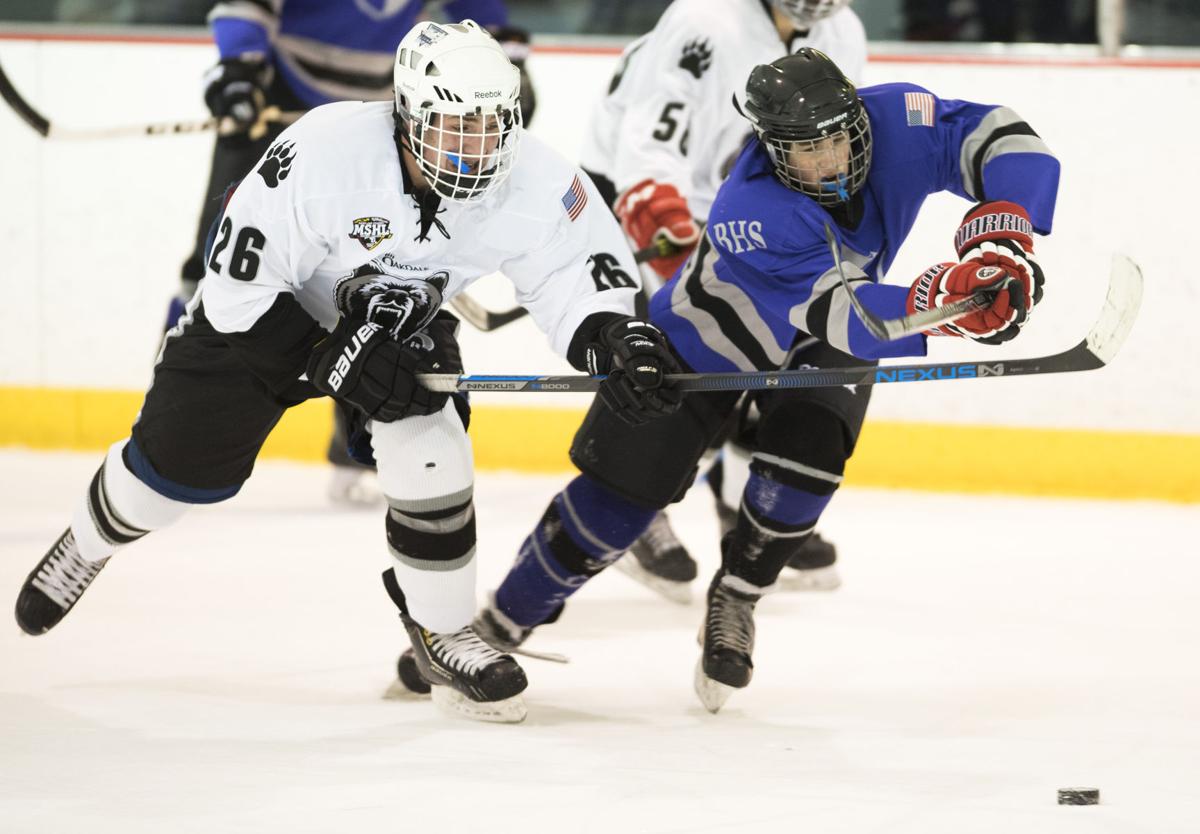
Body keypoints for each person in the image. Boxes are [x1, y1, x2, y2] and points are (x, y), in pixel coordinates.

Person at [14, 20, 679, 724]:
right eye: (454, 125)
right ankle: (86, 544)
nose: (476, 145)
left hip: (399, 322)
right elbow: (238, 285)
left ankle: (443, 631)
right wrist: (325, 355)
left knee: (431, 441)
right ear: (407, 117)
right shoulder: (324, 151)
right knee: (169, 480)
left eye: (491, 124)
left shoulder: (537, 179)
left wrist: (615, 340)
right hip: (267, 321)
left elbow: (580, 281)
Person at [463, 48, 1059, 713]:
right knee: (616, 505)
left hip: (823, 340)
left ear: (858, 118)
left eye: (837, 138)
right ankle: (500, 623)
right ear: (773, 149)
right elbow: (851, 316)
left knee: (806, 471)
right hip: (705, 344)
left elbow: (1002, 137)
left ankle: (736, 598)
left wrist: (1003, 235)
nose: (829, 161)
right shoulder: (751, 209)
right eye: (806, 151)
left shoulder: (904, 117)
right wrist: (947, 303)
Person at [175, 0, 536, 506]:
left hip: (391, 117)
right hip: (280, 90)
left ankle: (354, 444)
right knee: (220, 266)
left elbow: (478, 13)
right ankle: (189, 413)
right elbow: (249, 8)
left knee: (374, 279)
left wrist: (508, 64)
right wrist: (240, 68)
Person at [578, 0, 867, 602]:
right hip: (640, 195)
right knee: (673, 368)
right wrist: (672, 254)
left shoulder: (843, 32)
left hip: (741, 212)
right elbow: (647, 152)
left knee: (770, 367)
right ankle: (636, 506)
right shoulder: (705, 21)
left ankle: (738, 511)